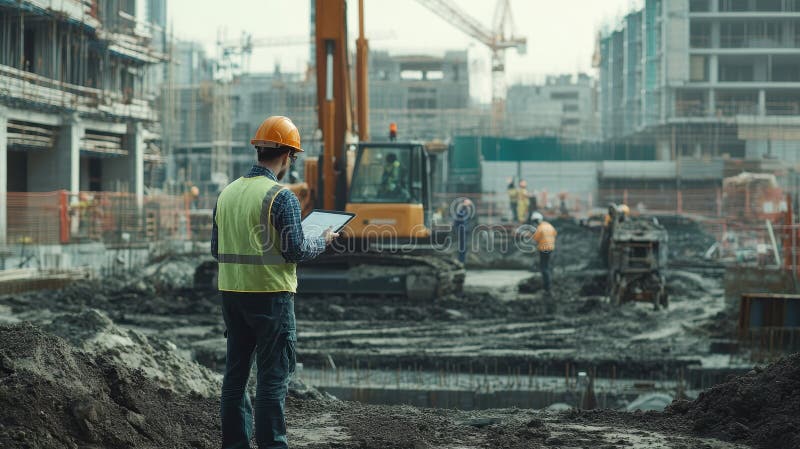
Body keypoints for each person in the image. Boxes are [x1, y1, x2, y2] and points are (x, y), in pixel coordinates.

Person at [211, 115, 338, 449]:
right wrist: (322, 240)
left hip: (232, 295)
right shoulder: (281, 198)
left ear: (259, 151)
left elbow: (216, 249)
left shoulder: (227, 194)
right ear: (287, 157)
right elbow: (295, 249)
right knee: (272, 380)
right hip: (270, 296)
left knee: (235, 378)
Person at [531, 212, 557, 295]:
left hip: (544, 249)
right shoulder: (549, 226)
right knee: (547, 265)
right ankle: (548, 284)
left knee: (544, 267)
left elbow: (536, 238)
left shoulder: (540, 227)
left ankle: (547, 288)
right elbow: (555, 233)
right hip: (550, 248)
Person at [454, 198, 473, 264]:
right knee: (462, 246)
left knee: (463, 246)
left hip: (463, 230)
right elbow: (459, 221)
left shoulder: (464, 210)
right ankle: (461, 260)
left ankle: (461, 260)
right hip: (462, 230)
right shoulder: (462, 210)